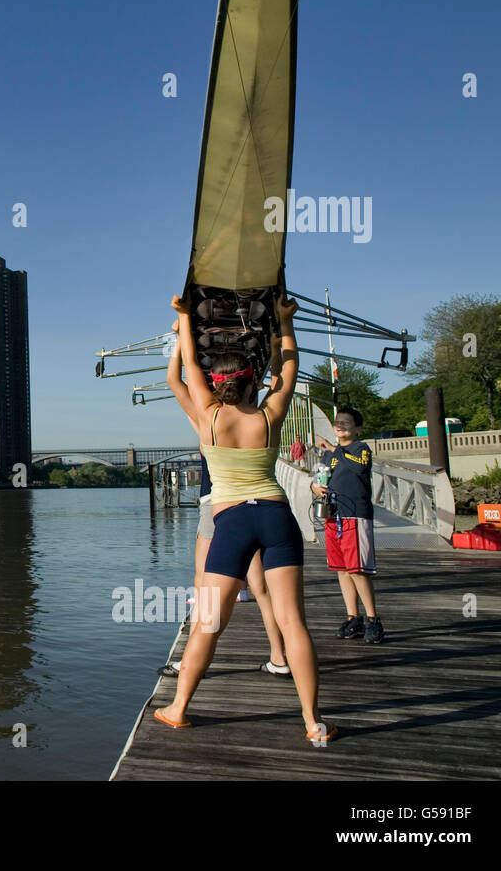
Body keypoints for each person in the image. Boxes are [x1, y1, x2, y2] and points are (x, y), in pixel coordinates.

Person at [154, 292, 335, 745]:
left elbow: (177, 377)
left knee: (209, 622)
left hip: (231, 521)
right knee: (294, 621)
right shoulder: (271, 417)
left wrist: (181, 327)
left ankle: (177, 708)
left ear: (216, 384)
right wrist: (285, 321)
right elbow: (288, 369)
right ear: (254, 381)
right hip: (276, 515)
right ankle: (313, 722)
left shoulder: (209, 418)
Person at [159, 318, 290, 679]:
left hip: (216, 506)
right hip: (264, 506)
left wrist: (177, 338)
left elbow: (176, 379)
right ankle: (279, 656)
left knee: (205, 587)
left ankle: (189, 664)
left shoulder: (207, 418)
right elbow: (282, 379)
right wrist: (279, 341)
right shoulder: (259, 418)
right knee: (261, 586)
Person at [313, 407, 383, 643]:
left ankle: (373, 619)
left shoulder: (361, 449)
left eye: (346, 422)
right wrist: (315, 486)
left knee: (358, 569)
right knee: (341, 569)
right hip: (333, 515)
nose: (340, 426)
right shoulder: (328, 455)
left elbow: (358, 468)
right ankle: (354, 617)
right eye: (337, 422)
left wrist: (334, 449)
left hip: (355, 515)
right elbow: (321, 475)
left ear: (358, 428)